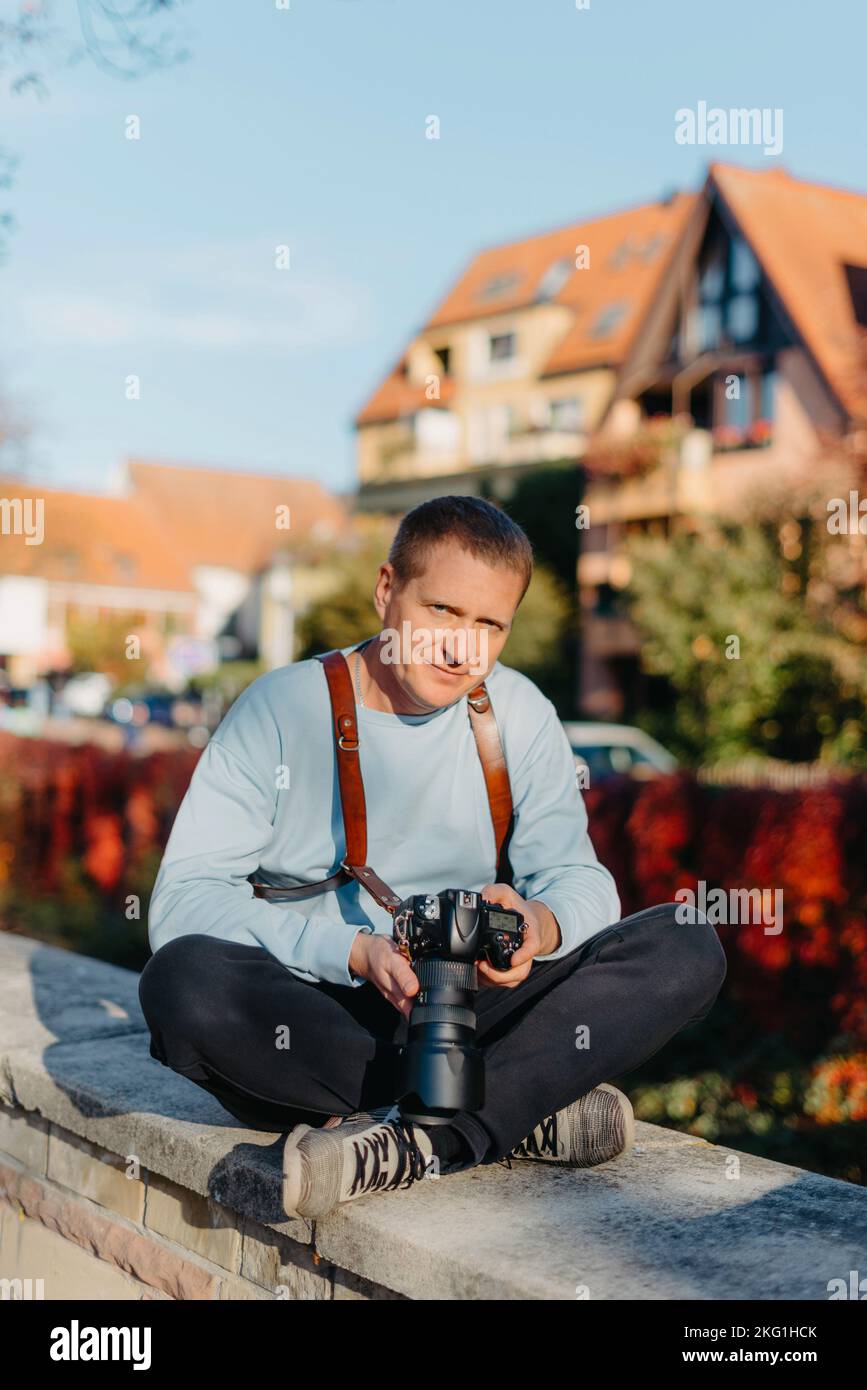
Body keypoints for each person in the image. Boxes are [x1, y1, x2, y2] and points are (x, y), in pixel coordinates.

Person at [138, 495, 726, 1219]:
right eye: (443, 611)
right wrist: (350, 951)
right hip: (326, 1013)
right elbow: (183, 902)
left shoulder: (518, 712)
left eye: (490, 625)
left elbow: (577, 878)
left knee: (685, 943)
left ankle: (413, 1143)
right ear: (387, 590)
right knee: (183, 983)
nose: (462, 649)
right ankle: (513, 1109)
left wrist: (535, 924)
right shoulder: (282, 707)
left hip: (473, 1009)